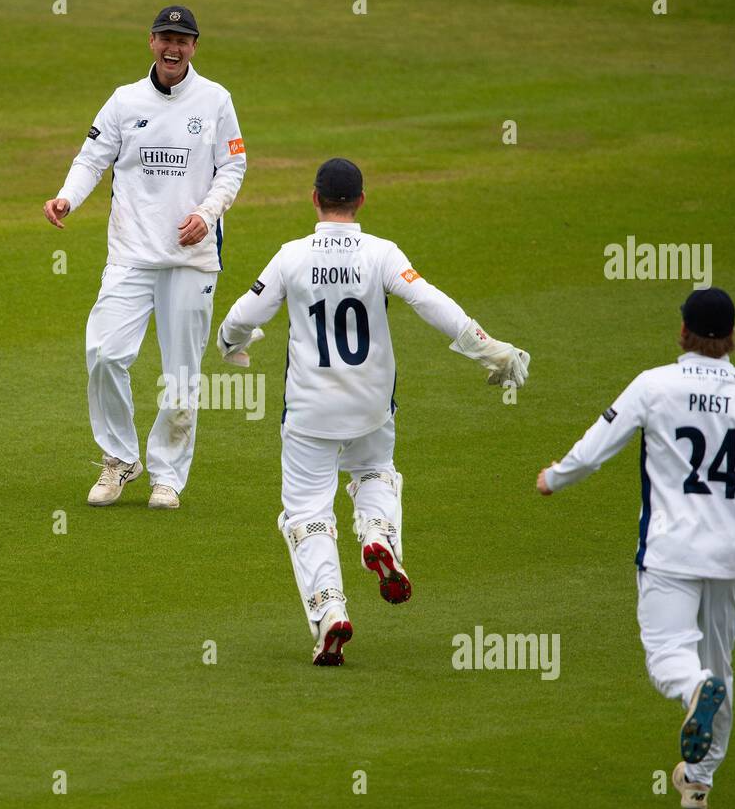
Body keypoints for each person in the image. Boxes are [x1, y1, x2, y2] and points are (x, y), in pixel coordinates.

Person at [217, 159, 531, 665]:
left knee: (307, 513)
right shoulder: (380, 253)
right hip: (370, 404)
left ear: (314, 199)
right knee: (374, 471)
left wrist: (231, 343)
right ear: (361, 201)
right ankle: (378, 535)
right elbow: (429, 301)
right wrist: (487, 347)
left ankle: (330, 613)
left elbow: (241, 316)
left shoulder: (290, 257)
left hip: (309, 410)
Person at [536, 287, 735, 809]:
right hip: (730, 561)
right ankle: (698, 781)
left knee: (669, 660)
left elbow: (595, 448)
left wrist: (553, 479)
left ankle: (695, 691)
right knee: (719, 666)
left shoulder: (654, 386)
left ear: (683, 331)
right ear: (732, 337)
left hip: (669, 553)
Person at [43, 5, 247, 510]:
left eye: (183, 39)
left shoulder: (216, 100)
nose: (173, 47)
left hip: (190, 257)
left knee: (180, 376)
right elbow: (92, 157)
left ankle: (167, 476)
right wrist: (67, 196)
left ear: (195, 46)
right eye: (165, 37)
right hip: (131, 254)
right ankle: (119, 459)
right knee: (105, 353)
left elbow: (233, 166)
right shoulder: (124, 100)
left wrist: (208, 210)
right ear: (151, 41)